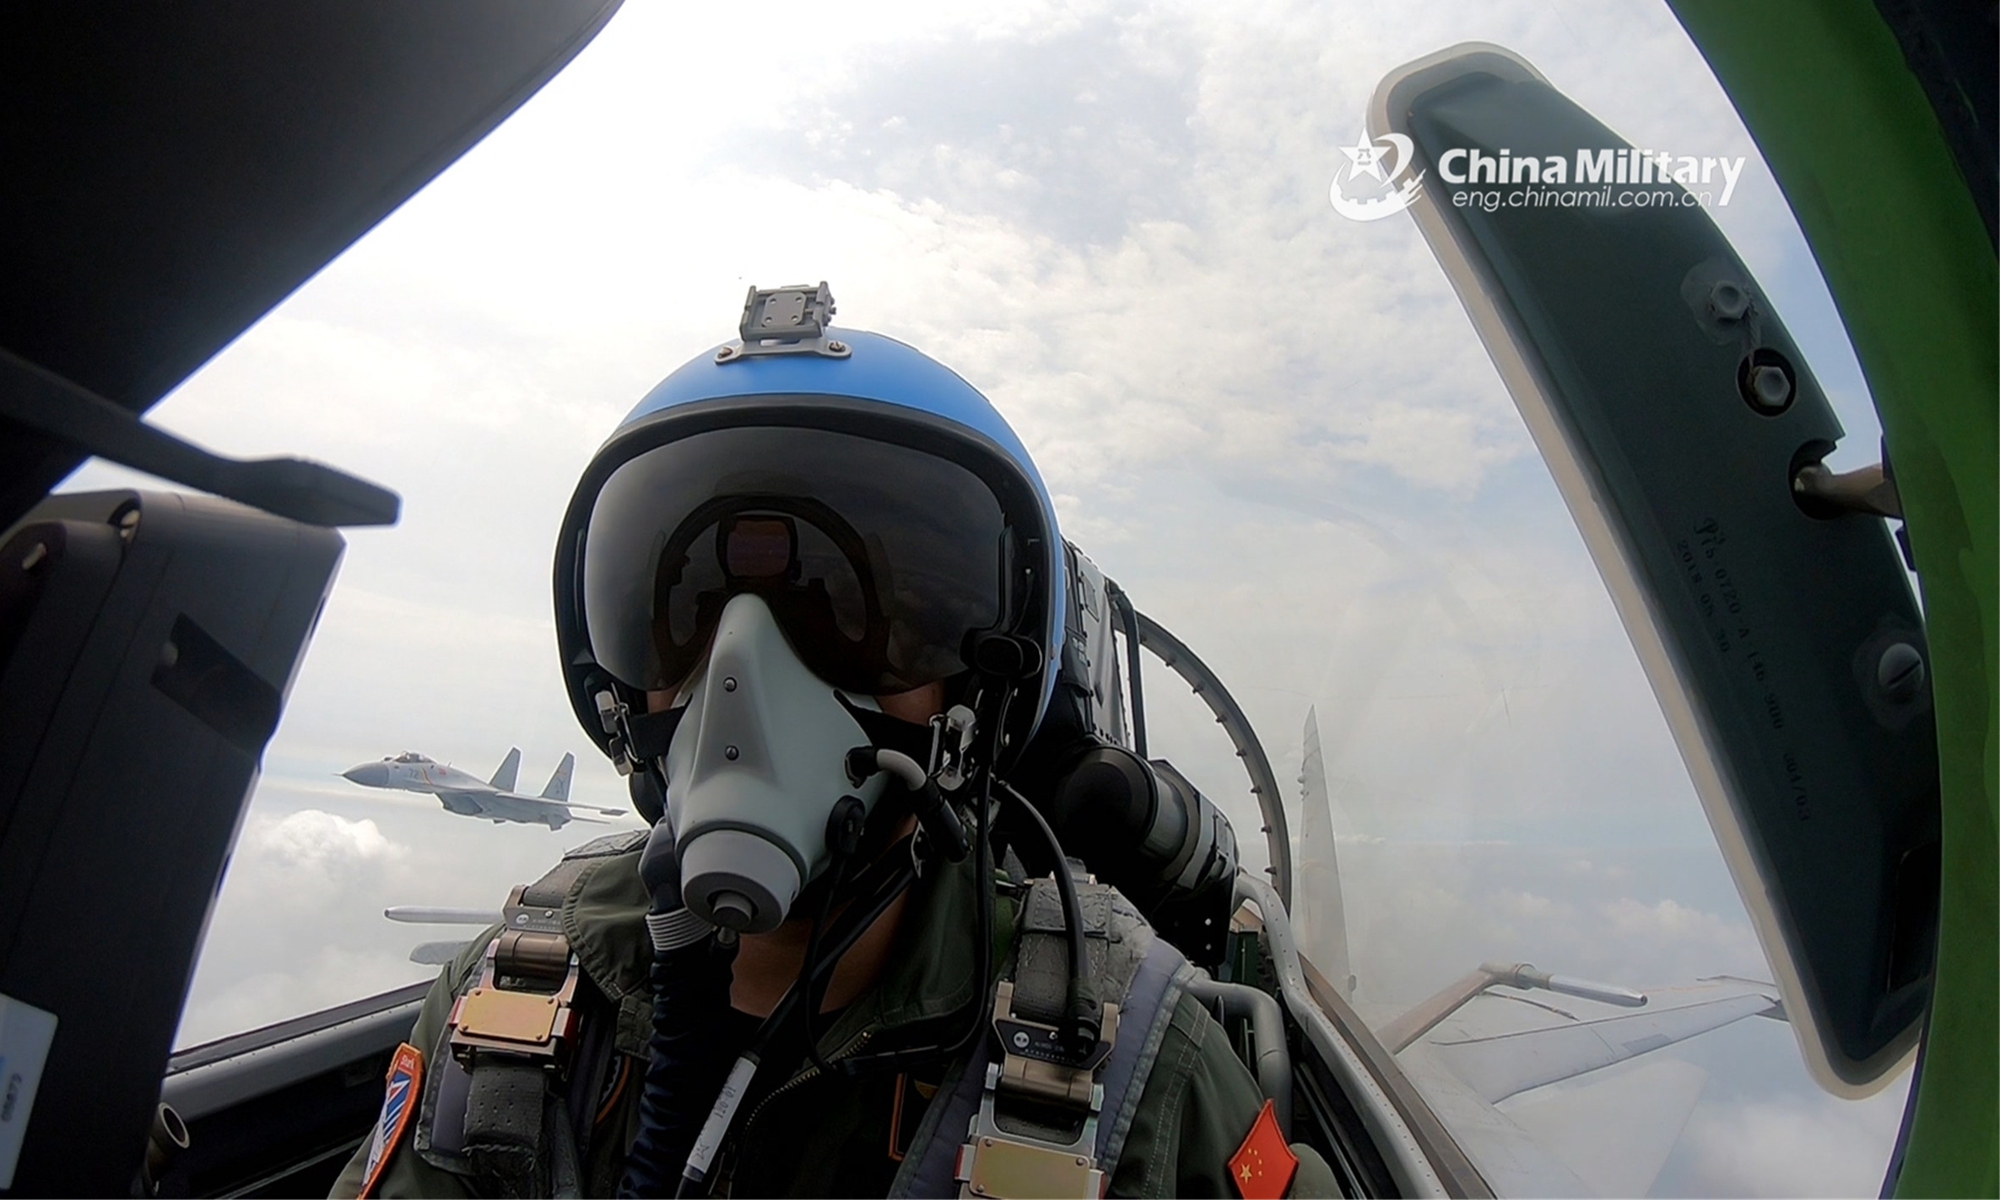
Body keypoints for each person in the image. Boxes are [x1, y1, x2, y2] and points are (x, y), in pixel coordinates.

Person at [332, 284, 1336, 1198]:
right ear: (616, 682)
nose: (740, 681)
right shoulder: (508, 1001)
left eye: (864, 621)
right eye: (677, 614)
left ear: (977, 694)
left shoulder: (1134, 1070)